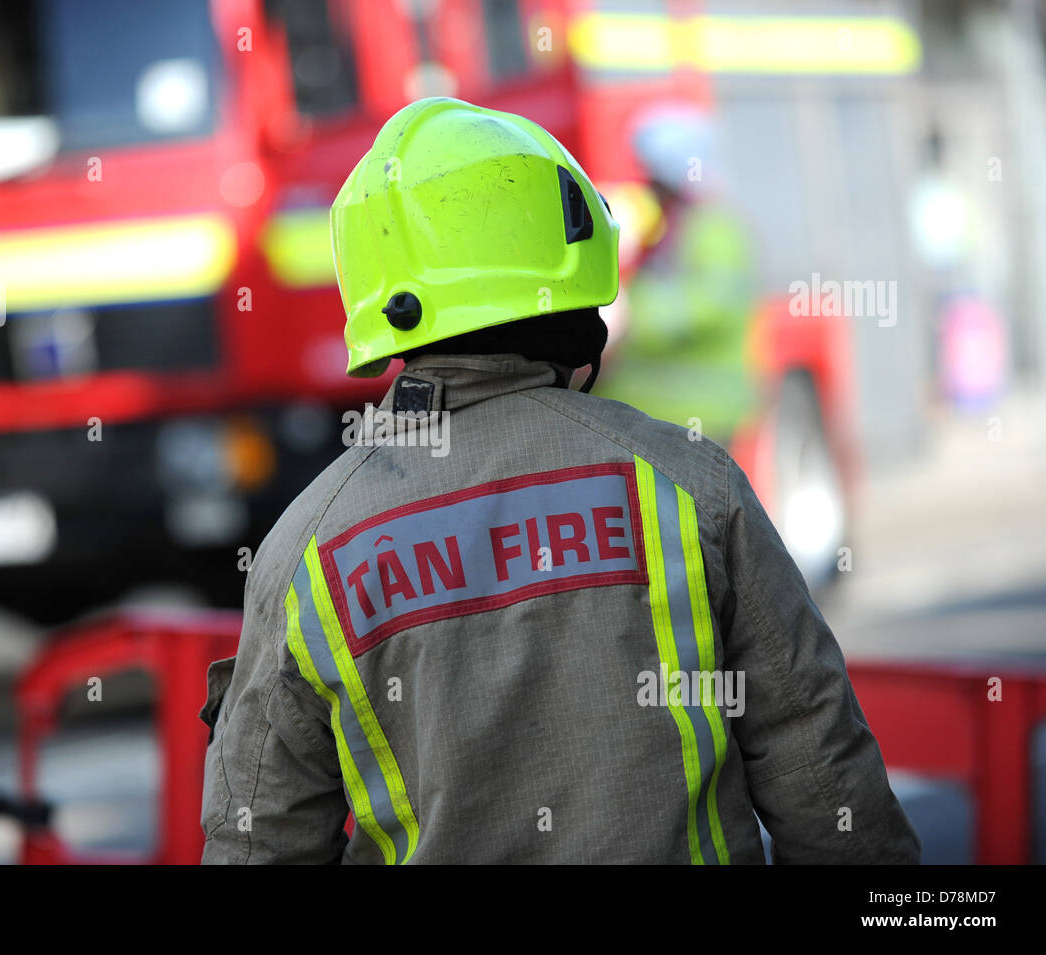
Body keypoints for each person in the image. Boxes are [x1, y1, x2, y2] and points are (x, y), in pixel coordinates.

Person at [200, 97, 918, 864]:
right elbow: (826, 783)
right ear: (573, 273)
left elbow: (259, 839)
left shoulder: (304, 552)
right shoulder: (690, 489)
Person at [595, 104, 758, 446]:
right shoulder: (665, 224)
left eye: (656, 178)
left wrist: (632, 315)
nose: (649, 186)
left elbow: (709, 303)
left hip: (698, 409)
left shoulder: (713, 228)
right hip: (654, 408)